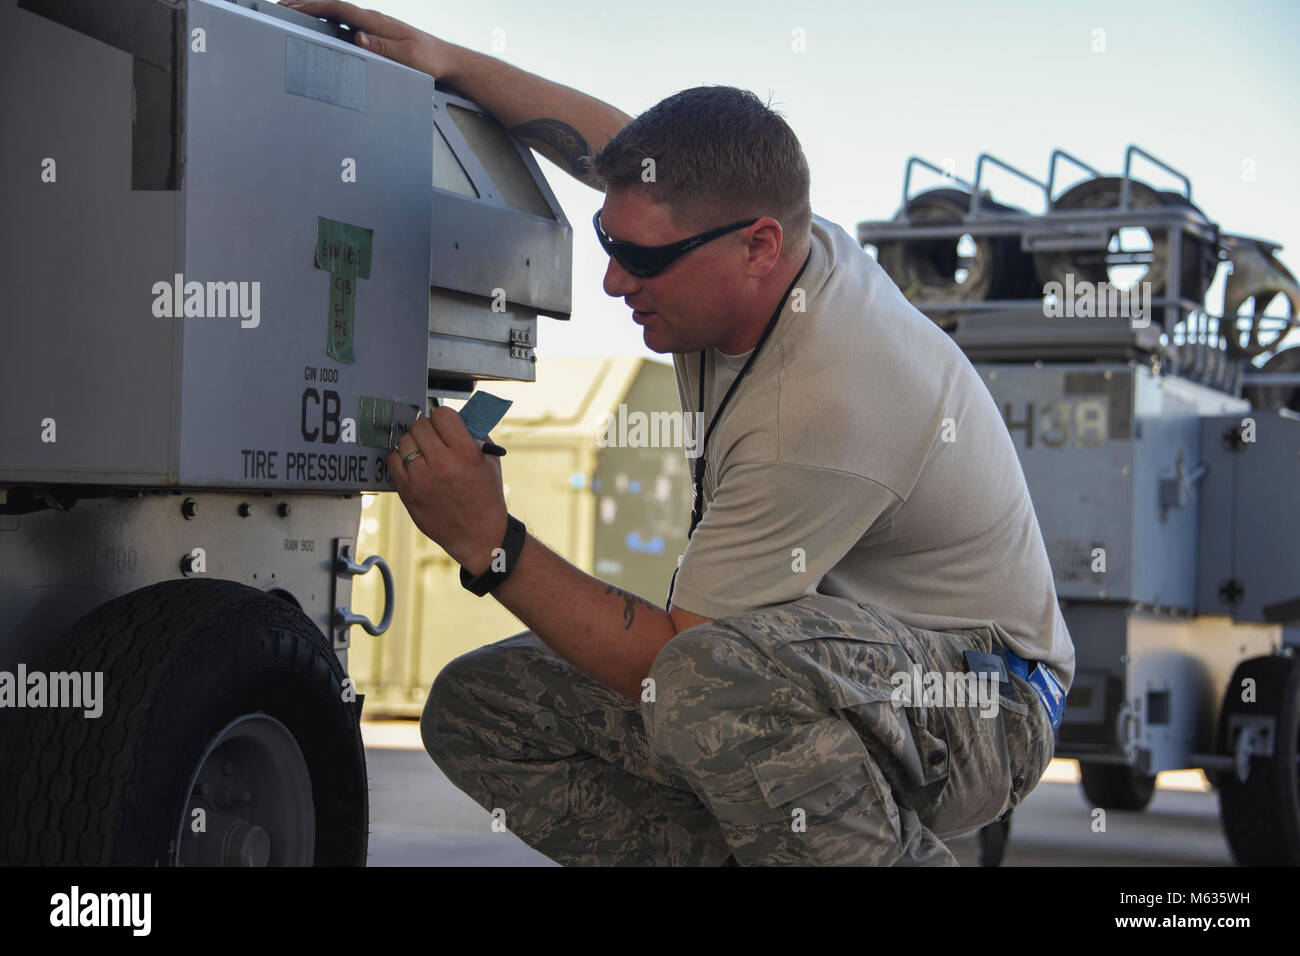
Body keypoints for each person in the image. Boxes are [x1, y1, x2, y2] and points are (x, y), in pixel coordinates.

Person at [283, 1, 1074, 866]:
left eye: (646, 260)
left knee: (706, 682)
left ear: (758, 248)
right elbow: (616, 148)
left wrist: (490, 542)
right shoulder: (756, 240)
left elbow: (672, 659)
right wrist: (449, 61)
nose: (618, 279)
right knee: (481, 709)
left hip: (984, 705)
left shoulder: (824, 400)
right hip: (825, 671)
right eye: (608, 242)